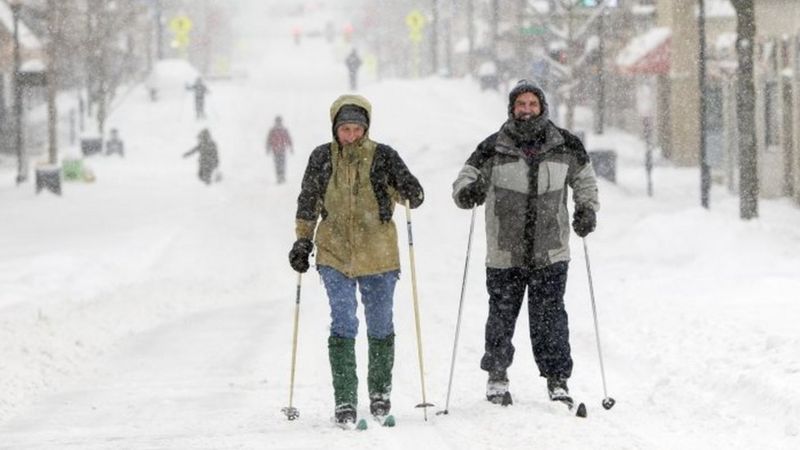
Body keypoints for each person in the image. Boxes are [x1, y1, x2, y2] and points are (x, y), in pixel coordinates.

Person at [451, 80, 599, 407]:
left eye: (533, 104)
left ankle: (557, 381)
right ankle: (497, 376)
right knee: (501, 318)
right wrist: (468, 193)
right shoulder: (493, 147)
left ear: (542, 107)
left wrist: (586, 209)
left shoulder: (566, 144)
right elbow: (464, 180)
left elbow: (585, 181)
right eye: (521, 105)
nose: (527, 110)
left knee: (551, 319)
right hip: (506, 251)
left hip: (551, 249)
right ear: (512, 109)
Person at [288, 94, 424, 426]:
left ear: (366, 128)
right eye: (345, 129)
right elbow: (308, 201)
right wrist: (303, 240)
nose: (351, 135)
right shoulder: (322, 157)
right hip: (334, 253)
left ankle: (379, 394)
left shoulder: (383, 156)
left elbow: (413, 195)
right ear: (335, 129)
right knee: (344, 321)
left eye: (357, 129)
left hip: (379, 254)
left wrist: (410, 190)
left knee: (380, 324)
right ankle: (345, 399)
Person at [266, 115, 294, 184]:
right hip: (277, 150)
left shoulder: (280, 130)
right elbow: (269, 140)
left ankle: (281, 176)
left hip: (280, 150)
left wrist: (291, 147)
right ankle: (280, 177)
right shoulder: (274, 130)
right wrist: (268, 148)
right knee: (279, 164)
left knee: (280, 164)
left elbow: (288, 139)